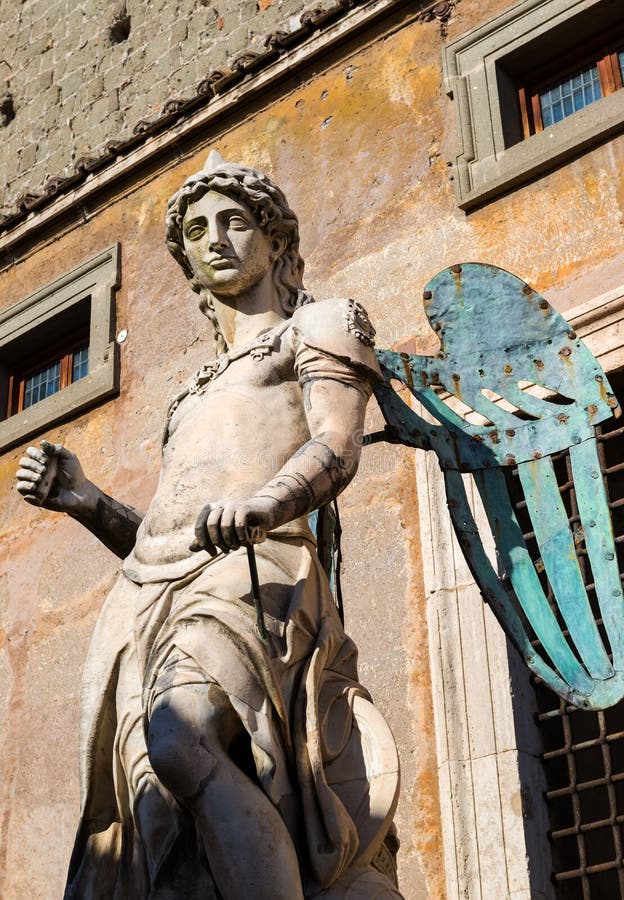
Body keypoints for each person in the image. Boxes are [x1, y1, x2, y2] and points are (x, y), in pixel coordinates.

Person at [16, 153, 402, 899]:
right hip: (149, 595)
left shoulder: (317, 325)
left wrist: (267, 504)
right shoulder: (188, 392)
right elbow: (167, 529)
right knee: (149, 817)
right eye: (197, 231)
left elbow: (337, 445)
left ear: (274, 239)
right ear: (186, 264)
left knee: (180, 734)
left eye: (235, 221)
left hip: (256, 572)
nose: (217, 239)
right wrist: (89, 502)